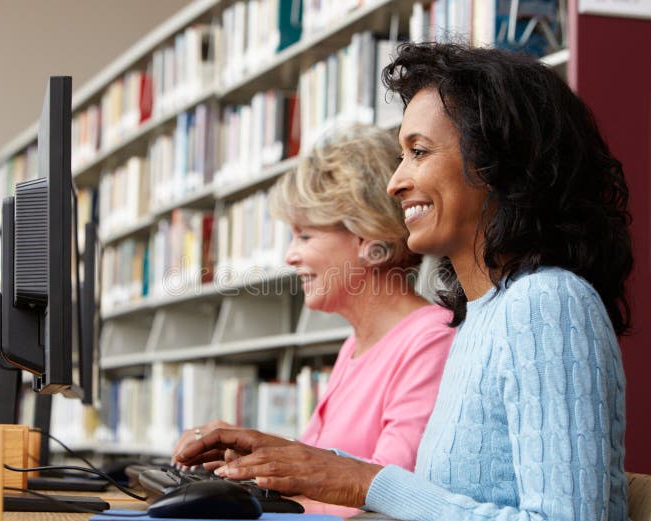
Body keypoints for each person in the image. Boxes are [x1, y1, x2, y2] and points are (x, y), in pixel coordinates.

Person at [177, 41, 639, 521]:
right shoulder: (482, 317)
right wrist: (284, 462)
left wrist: (363, 481)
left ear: (498, 162)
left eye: (418, 152)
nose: (396, 182)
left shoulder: (547, 303)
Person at [172, 125, 455, 473]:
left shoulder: (431, 341)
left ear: (368, 236)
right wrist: (244, 460)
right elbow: (322, 472)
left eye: (304, 236)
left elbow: (389, 490)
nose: (290, 256)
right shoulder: (354, 345)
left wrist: (262, 454)